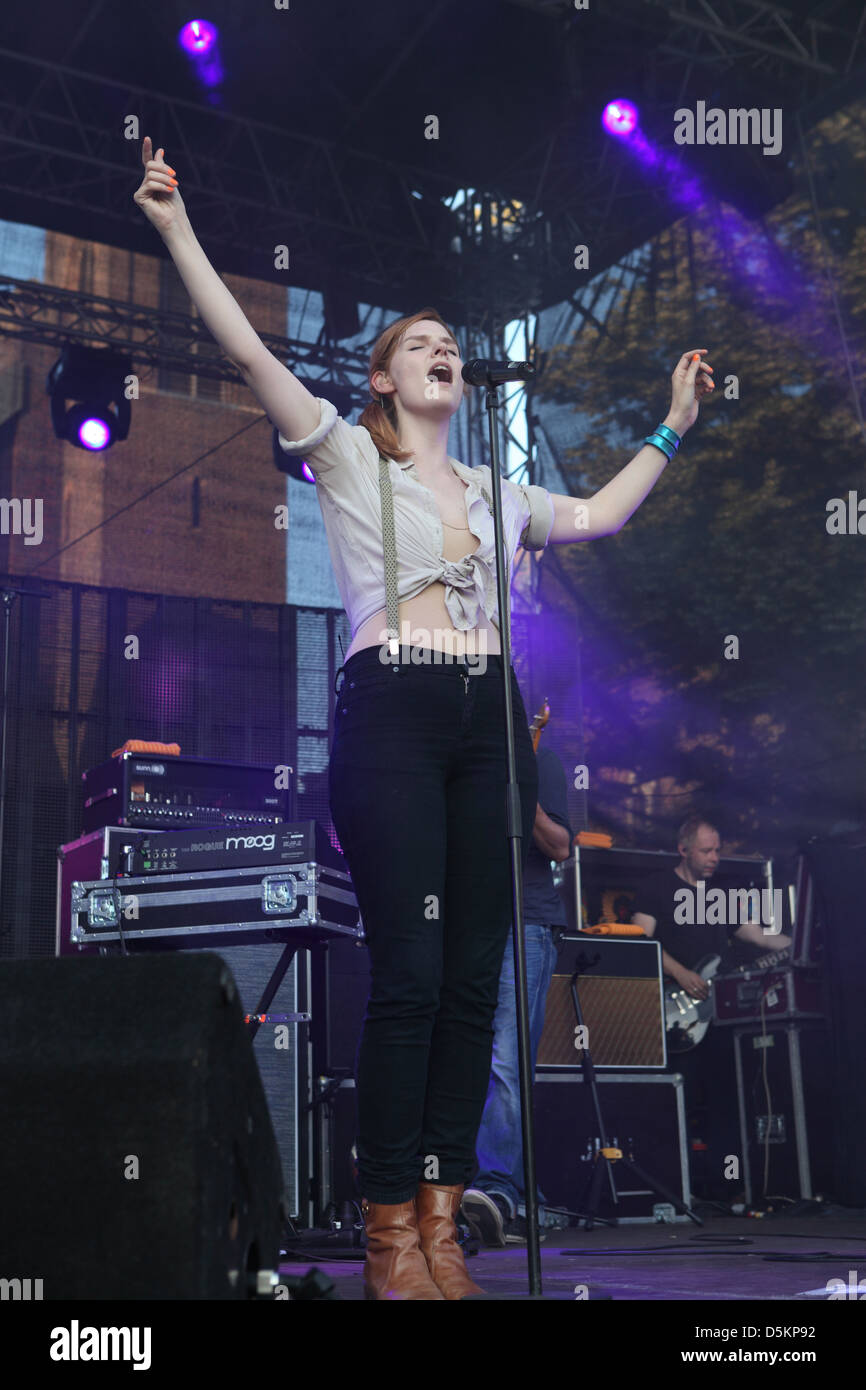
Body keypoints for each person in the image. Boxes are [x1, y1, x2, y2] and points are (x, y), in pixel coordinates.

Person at [133, 137, 716, 1298]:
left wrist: (671, 423)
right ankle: (387, 1228)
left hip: (485, 720)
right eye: (418, 345)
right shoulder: (348, 459)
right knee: (407, 974)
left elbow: (598, 514)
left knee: (470, 982)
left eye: (449, 344)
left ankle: (445, 1222)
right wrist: (174, 228)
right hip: (392, 711)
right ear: (386, 380)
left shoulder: (502, 495)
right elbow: (246, 345)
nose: (442, 351)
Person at [631, 816, 791, 1199]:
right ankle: (672, 1190)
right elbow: (639, 939)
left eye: (717, 850)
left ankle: (728, 1188)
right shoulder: (657, 888)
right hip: (675, 1017)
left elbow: (758, 936)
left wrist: (794, 944)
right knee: (676, 1104)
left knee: (728, 1101)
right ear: (683, 849)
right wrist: (681, 973)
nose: (714, 858)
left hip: (719, 1019)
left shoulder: (720, 896)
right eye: (706, 850)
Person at [463, 744, 572, 1245]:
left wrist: (516, 785)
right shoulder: (459, 758)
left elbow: (559, 846)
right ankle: (516, 1201)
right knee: (472, 1061)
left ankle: (498, 1192)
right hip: (468, 923)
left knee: (507, 1061)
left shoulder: (537, 760)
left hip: (524, 924)